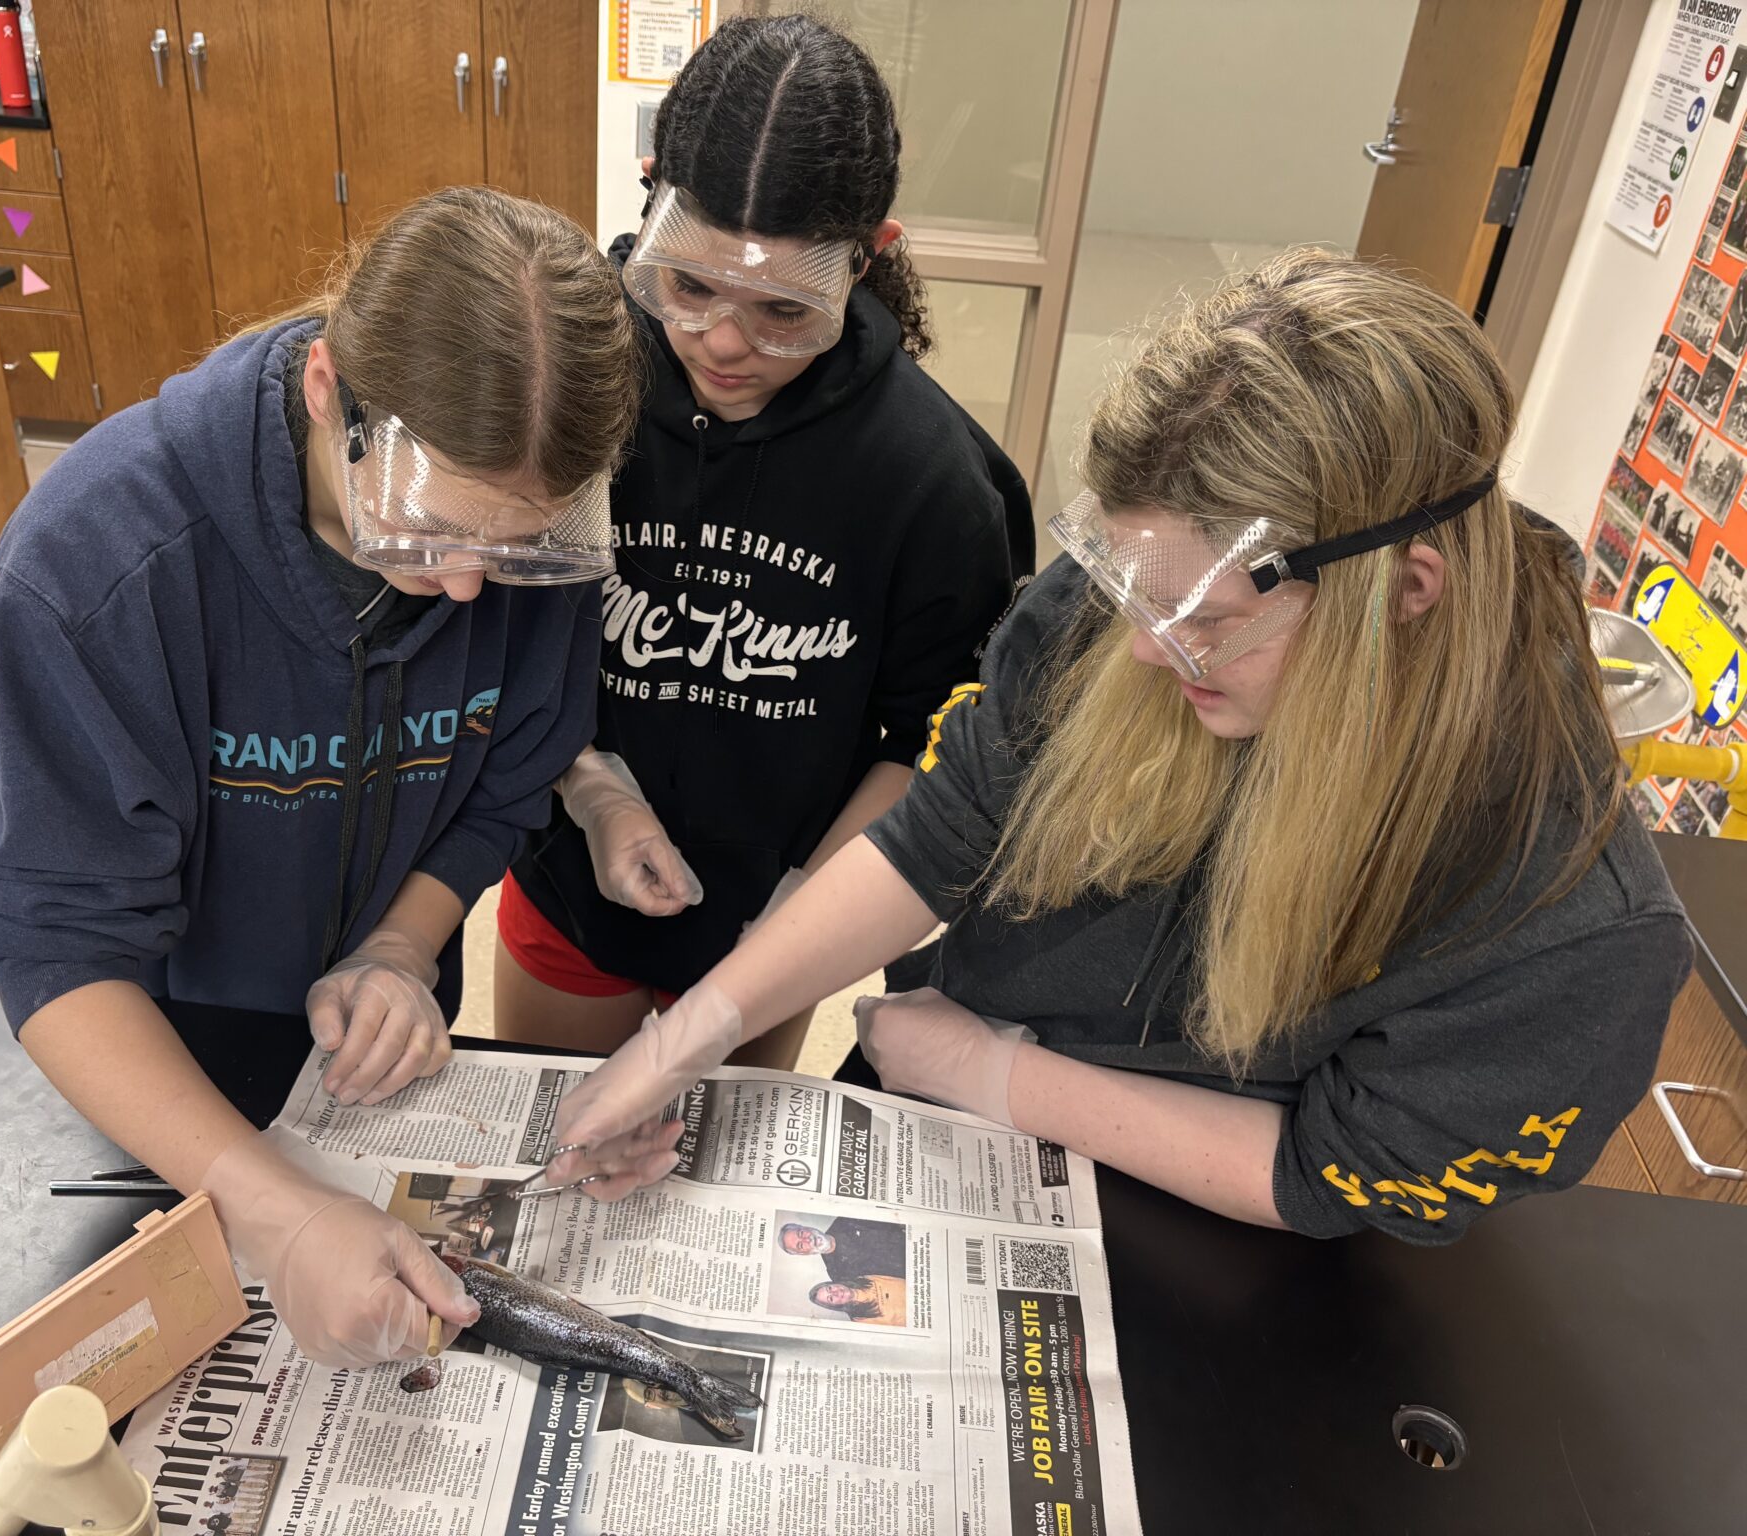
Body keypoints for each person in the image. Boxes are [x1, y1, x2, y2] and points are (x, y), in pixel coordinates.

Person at [543, 249, 1694, 1244]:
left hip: (1220, 1257)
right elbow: (941, 829)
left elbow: (1342, 1167)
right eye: (1127, 595)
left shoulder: (1567, 923)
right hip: (949, 1122)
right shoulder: (1149, 598)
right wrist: (694, 1031)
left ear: (1404, 592)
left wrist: (1001, 1078)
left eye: (1202, 618)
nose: (1145, 649)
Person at [0, 187, 643, 1361]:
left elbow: (504, 789)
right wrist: (277, 1213)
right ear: (327, 390)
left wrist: (401, 946)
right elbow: (54, 941)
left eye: (513, 549)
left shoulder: (527, 539)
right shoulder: (99, 562)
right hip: (157, 1047)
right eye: (425, 533)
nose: (467, 586)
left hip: (378, 1058)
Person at [495, 13, 1032, 1069]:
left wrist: (799, 924)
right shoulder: (563, 385)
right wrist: (588, 789)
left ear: (867, 260)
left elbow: (930, 740)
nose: (725, 342)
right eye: (689, 286)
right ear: (650, 195)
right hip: (565, 880)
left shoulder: (932, 483)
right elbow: (492, 625)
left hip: (778, 918)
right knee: (547, 1135)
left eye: (785, 309)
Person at [778, 1217, 906, 1278]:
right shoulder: (837, 1274)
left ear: (806, 1227)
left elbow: (896, 1220)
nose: (807, 1239)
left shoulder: (846, 1220)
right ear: (803, 1254)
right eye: (800, 1245)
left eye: (801, 1233)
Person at [808, 1276, 905, 1326]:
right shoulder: (860, 1319)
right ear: (835, 1306)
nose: (835, 1293)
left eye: (829, 1288)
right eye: (831, 1298)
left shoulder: (865, 1278)